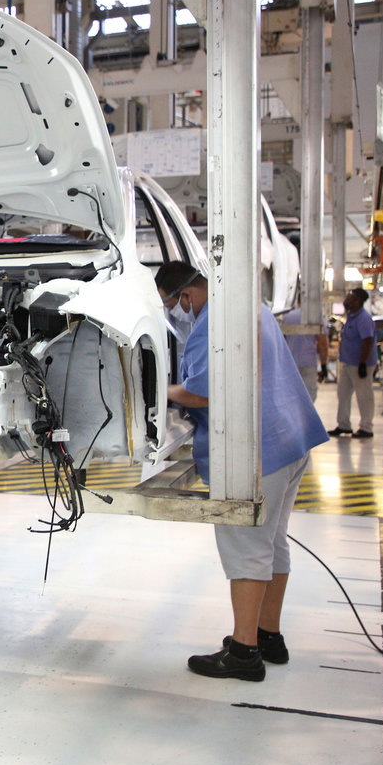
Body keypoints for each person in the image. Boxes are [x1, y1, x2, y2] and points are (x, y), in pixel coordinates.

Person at [155, 261, 327, 682]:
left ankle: (245, 653)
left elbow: (199, 393)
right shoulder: (252, 305)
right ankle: (269, 636)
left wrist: (156, 390)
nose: (176, 313)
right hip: (290, 441)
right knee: (272, 541)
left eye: (171, 305)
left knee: (246, 548)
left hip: (254, 452)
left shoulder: (213, 323)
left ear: (187, 296)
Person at [329, 287, 377, 439]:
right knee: (343, 393)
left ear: (358, 301)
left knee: (364, 395)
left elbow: (367, 341)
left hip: (360, 364)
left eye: (350, 298)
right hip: (348, 363)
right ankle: (344, 425)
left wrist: (363, 363)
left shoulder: (363, 318)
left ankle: (366, 427)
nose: (347, 300)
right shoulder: (352, 316)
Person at [280, 303, 329, 402]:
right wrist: (324, 366)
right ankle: (306, 417)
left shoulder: (288, 317)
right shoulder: (316, 318)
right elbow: (323, 345)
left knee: (291, 396)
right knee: (309, 397)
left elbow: (282, 342)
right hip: (308, 364)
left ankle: (295, 417)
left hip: (291, 364)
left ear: (297, 301)